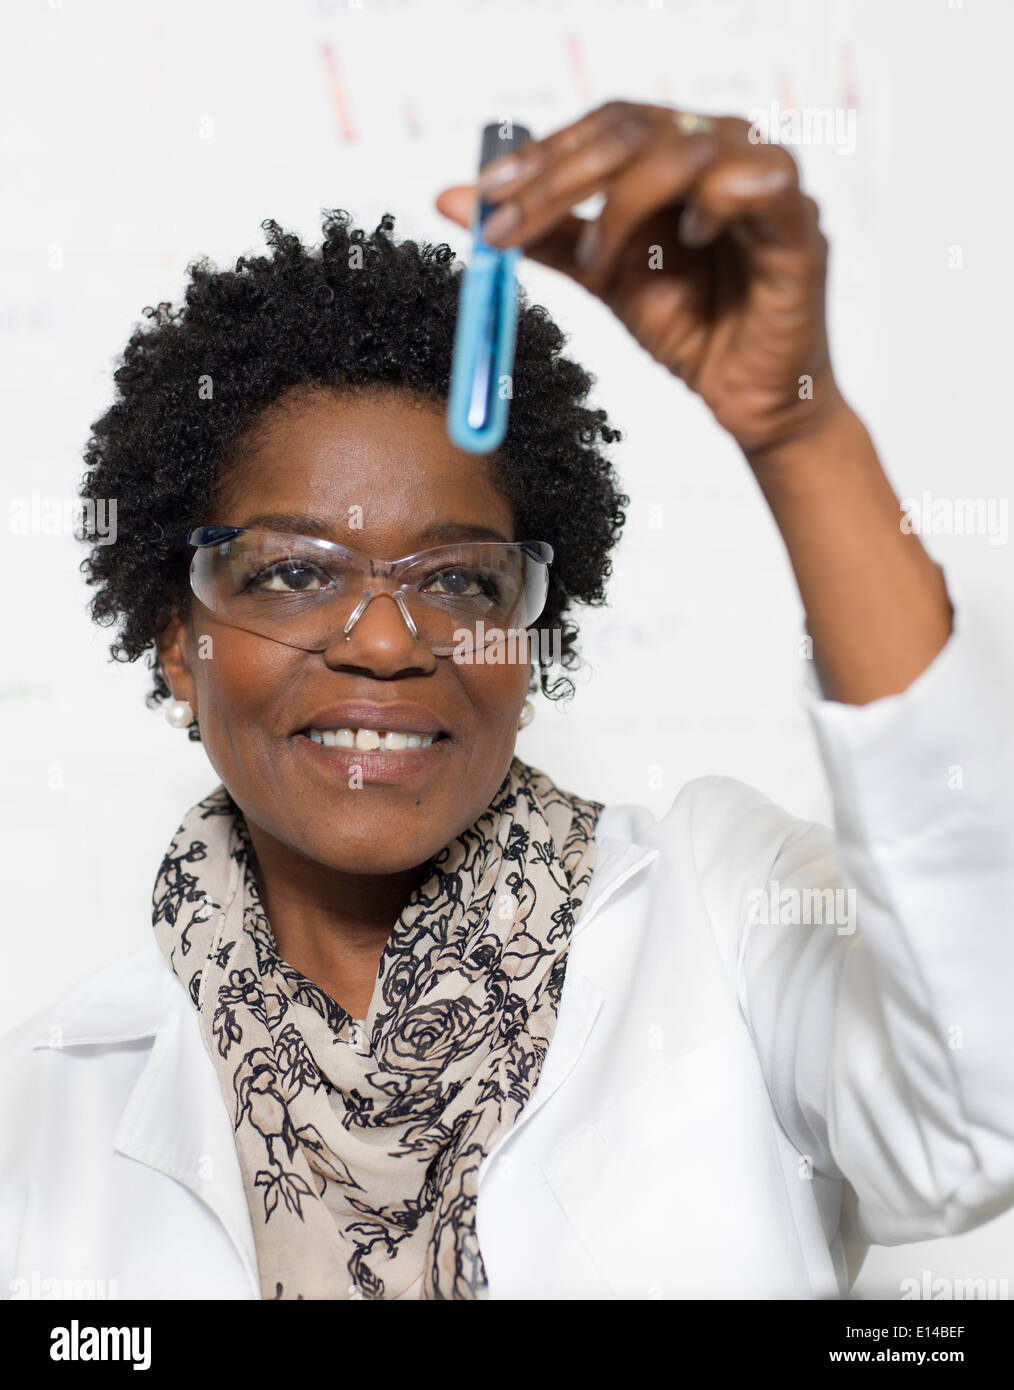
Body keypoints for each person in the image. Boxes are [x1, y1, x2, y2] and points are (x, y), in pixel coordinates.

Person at [2, 101, 1012, 1302]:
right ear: (179, 643)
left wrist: (797, 431)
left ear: (525, 640)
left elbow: (977, 1099)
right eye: (289, 570)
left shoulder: (720, 916)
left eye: (459, 578)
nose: (385, 639)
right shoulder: (40, 1123)